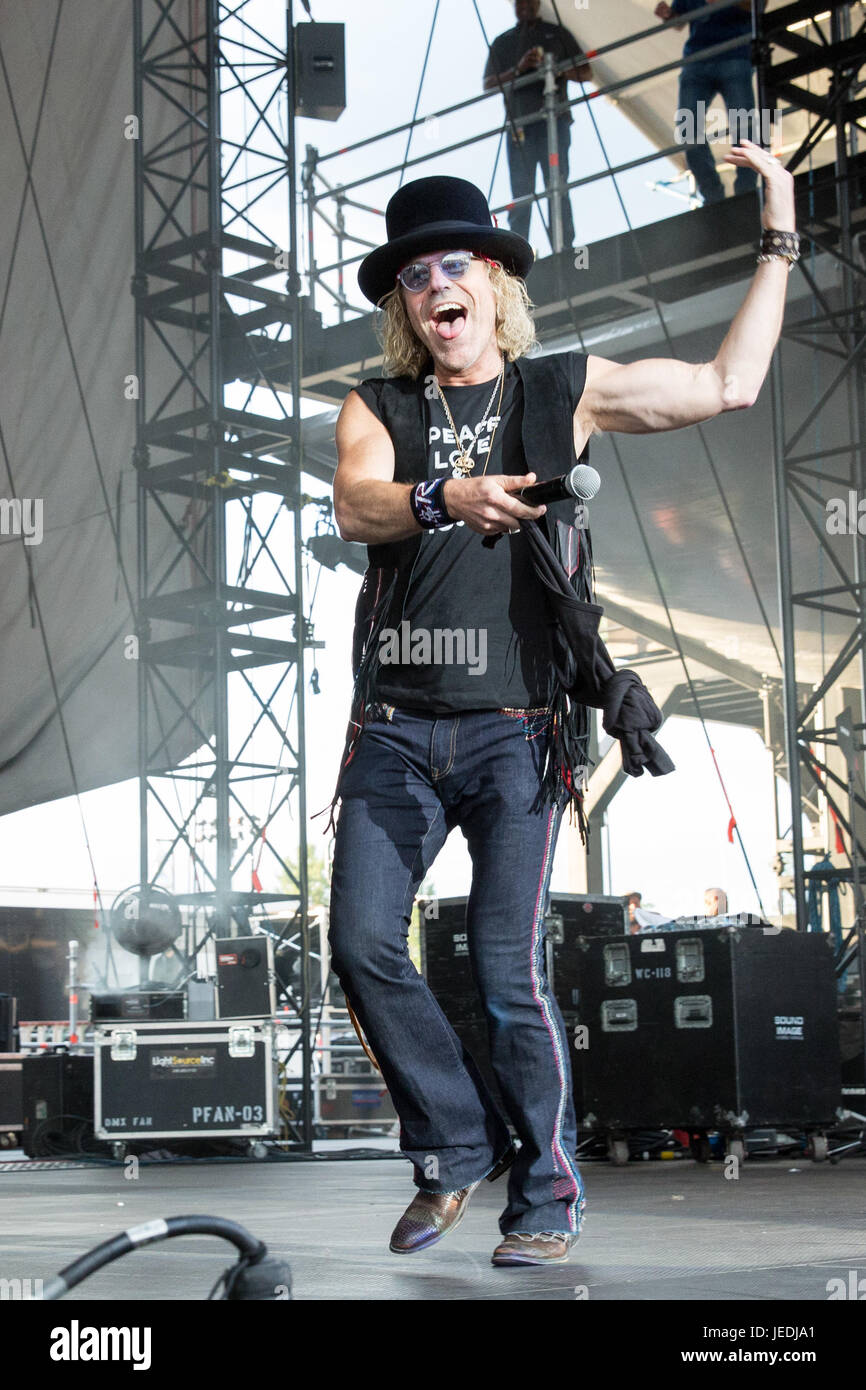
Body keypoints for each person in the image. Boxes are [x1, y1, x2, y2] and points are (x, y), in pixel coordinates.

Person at [327, 150, 797, 1266]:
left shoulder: (561, 387)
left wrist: (777, 231)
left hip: (515, 730)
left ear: (490, 279)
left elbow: (726, 384)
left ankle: (541, 1196)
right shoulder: (378, 404)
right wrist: (442, 494)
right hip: (394, 727)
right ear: (405, 306)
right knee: (356, 942)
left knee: (505, 970)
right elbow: (354, 503)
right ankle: (449, 1145)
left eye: (453, 263)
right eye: (412, 276)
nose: (434, 285)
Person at [483, 0, 591, 250]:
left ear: (538, 3)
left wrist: (556, 69)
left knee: (557, 184)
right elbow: (488, 85)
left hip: (554, 121)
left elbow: (586, 72)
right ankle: (517, 252)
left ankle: (563, 247)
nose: (524, 6)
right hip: (519, 128)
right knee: (522, 191)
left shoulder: (557, 33)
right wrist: (519, 69)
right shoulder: (504, 41)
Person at [655, 0, 759, 205]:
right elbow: (679, 20)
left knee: (745, 129)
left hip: (734, 54)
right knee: (688, 130)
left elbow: (757, 6)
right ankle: (714, 196)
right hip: (698, 60)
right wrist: (668, 15)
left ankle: (745, 193)